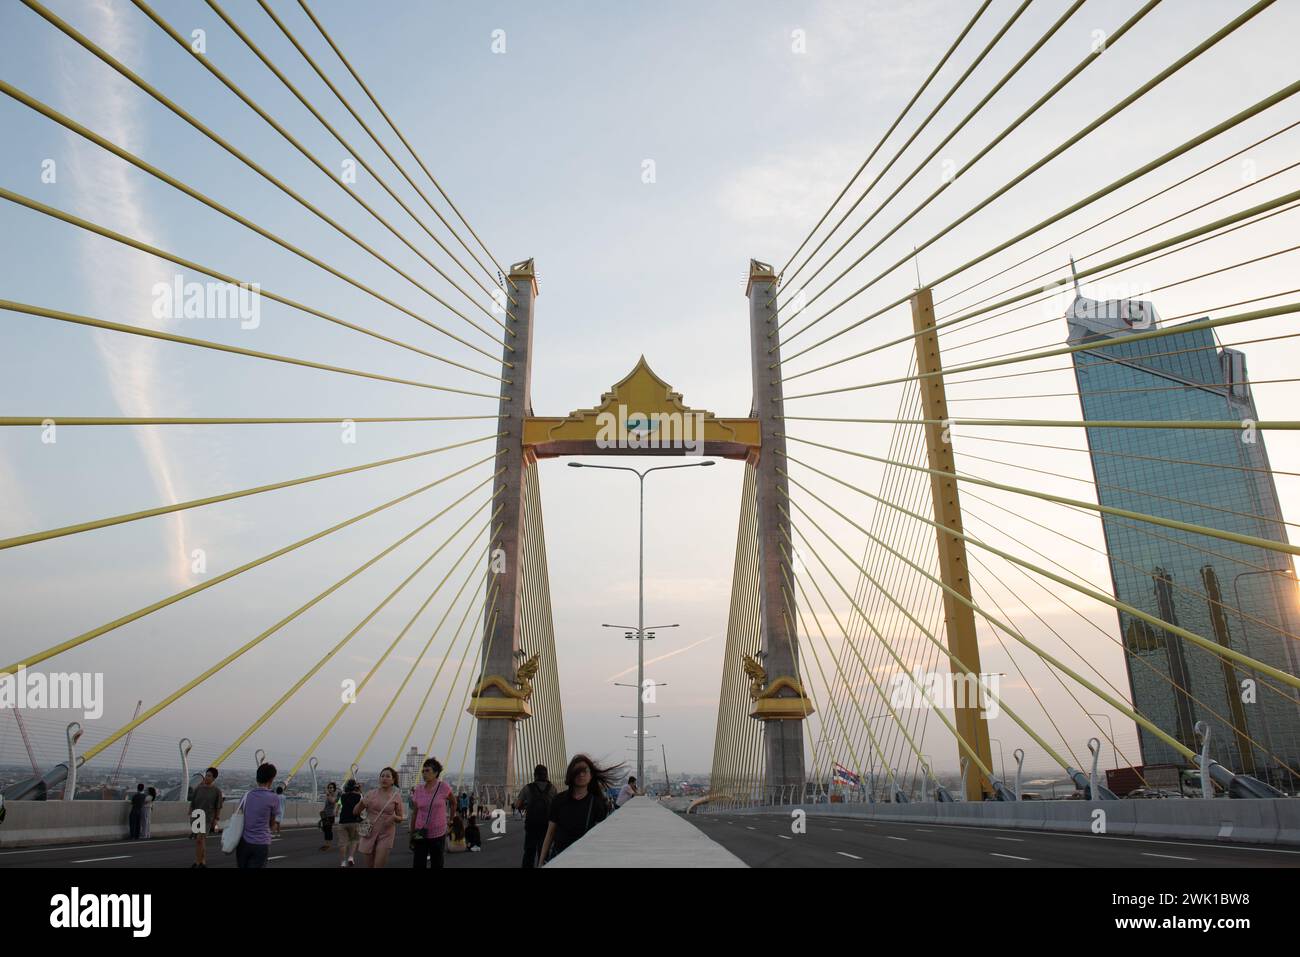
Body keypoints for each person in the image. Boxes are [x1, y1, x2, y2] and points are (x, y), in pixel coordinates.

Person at [538, 754, 619, 864]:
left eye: (585, 771)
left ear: (591, 776)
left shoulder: (597, 803)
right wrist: (541, 861)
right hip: (558, 858)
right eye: (577, 771)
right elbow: (550, 833)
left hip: (583, 860)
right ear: (571, 775)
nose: (581, 775)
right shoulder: (558, 800)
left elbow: (600, 838)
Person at [409, 758, 453, 869]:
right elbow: (415, 813)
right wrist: (412, 833)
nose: (424, 773)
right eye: (423, 771)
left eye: (427, 770)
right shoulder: (418, 789)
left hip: (438, 831)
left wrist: (450, 819)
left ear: (436, 772)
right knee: (418, 863)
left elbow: (454, 802)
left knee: (437, 863)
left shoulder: (443, 787)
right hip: (420, 831)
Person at [357, 767, 405, 868]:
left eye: (388, 776)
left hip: (386, 834)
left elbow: (401, 818)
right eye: (382, 776)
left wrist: (393, 817)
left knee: (378, 865)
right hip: (369, 832)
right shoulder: (371, 793)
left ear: (393, 780)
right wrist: (362, 802)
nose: (384, 778)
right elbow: (355, 811)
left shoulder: (396, 796)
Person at [236, 762, 280, 869]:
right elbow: (271, 823)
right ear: (271, 779)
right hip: (261, 843)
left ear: (257, 778)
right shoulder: (273, 798)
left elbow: (241, 815)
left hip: (243, 843)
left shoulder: (246, 796)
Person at [514, 763, 556, 868]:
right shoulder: (553, 789)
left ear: (535, 775)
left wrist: (526, 805)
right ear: (546, 775)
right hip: (546, 826)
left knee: (529, 853)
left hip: (531, 825)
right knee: (544, 852)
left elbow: (518, 805)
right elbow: (556, 807)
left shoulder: (527, 788)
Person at [190, 767, 223, 868]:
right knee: (198, 841)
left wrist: (216, 820)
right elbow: (193, 803)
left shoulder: (216, 791)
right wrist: (191, 815)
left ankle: (201, 861)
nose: (207, 777)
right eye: (206, 775)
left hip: (207, 818)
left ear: (214, 778)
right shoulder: (198, 789)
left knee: (201, 839)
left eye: (209, 776)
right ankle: (198, 861)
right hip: (196, 817)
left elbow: (218, 807)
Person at [337, 779, 363, 867]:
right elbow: (363, 805)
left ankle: (343, 862)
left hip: (343, 821)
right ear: (355, 787)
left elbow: (339, 806)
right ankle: (351, 857)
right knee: (354, 840)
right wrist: (359, 790)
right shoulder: (359, 796)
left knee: (342, 843)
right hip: (354, 821)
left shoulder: (342, 796)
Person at [319, 782, 339, 851]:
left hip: (330, 816)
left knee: (328, 830)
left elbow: (333, 801)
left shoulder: (333, 795)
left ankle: (329, 845)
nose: (330, 789)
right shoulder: (328, 795)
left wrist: (328, 794)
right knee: (325, 829)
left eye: (331, 788)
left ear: (334, 789)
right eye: (329, 787)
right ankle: (326, 844)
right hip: (325, 815)